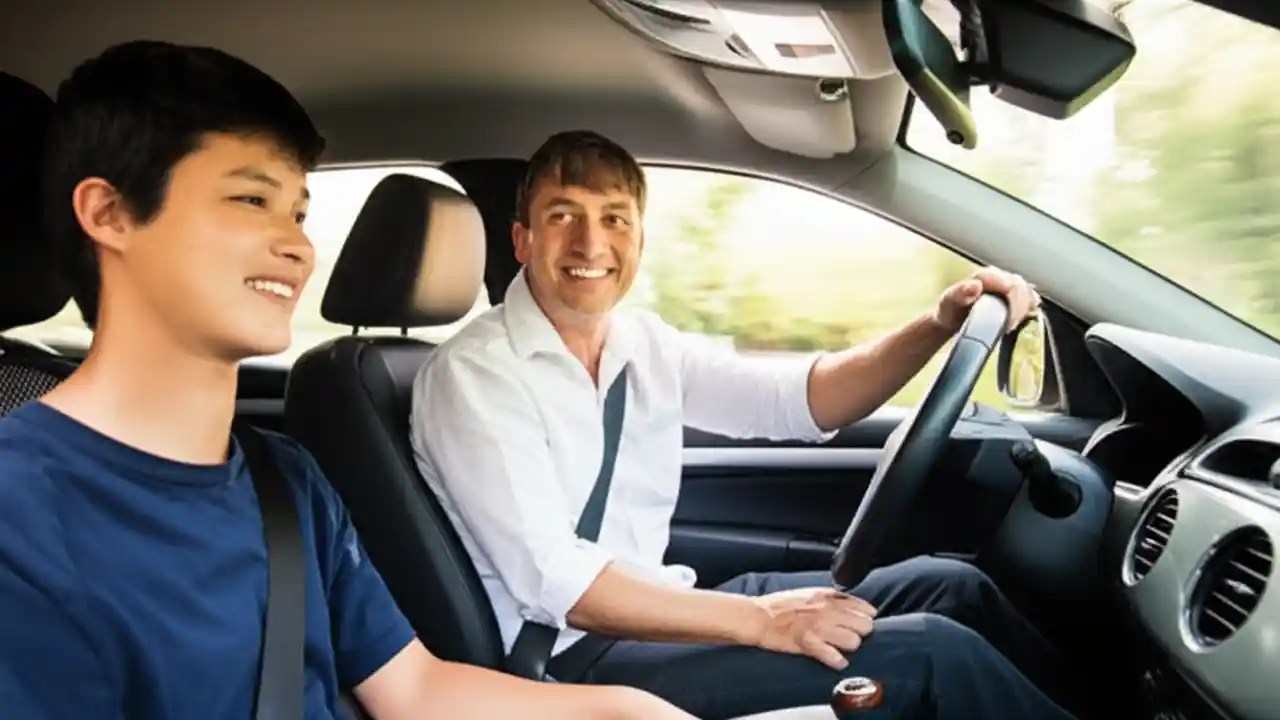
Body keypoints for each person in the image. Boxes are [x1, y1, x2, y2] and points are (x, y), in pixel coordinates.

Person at [0, 42, 695, 720]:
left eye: (298, 213)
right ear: (110, 214)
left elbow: (415, 691)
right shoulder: (21, 513)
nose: (297, 245)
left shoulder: (286, 480)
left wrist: (626, 708)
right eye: (250, 200)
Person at [409, 129, 1080, 720]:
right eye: (565, 216)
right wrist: (761, 622)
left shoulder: (641, 344)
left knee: (951, 586)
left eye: (616, 219)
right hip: (572, 661)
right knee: (934, 655)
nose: (592, 242)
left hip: (656, 612)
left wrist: (937, 326)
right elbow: (559, 584)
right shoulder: (474, 376)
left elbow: (803, 400)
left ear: (639, 241)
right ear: (523, 240)